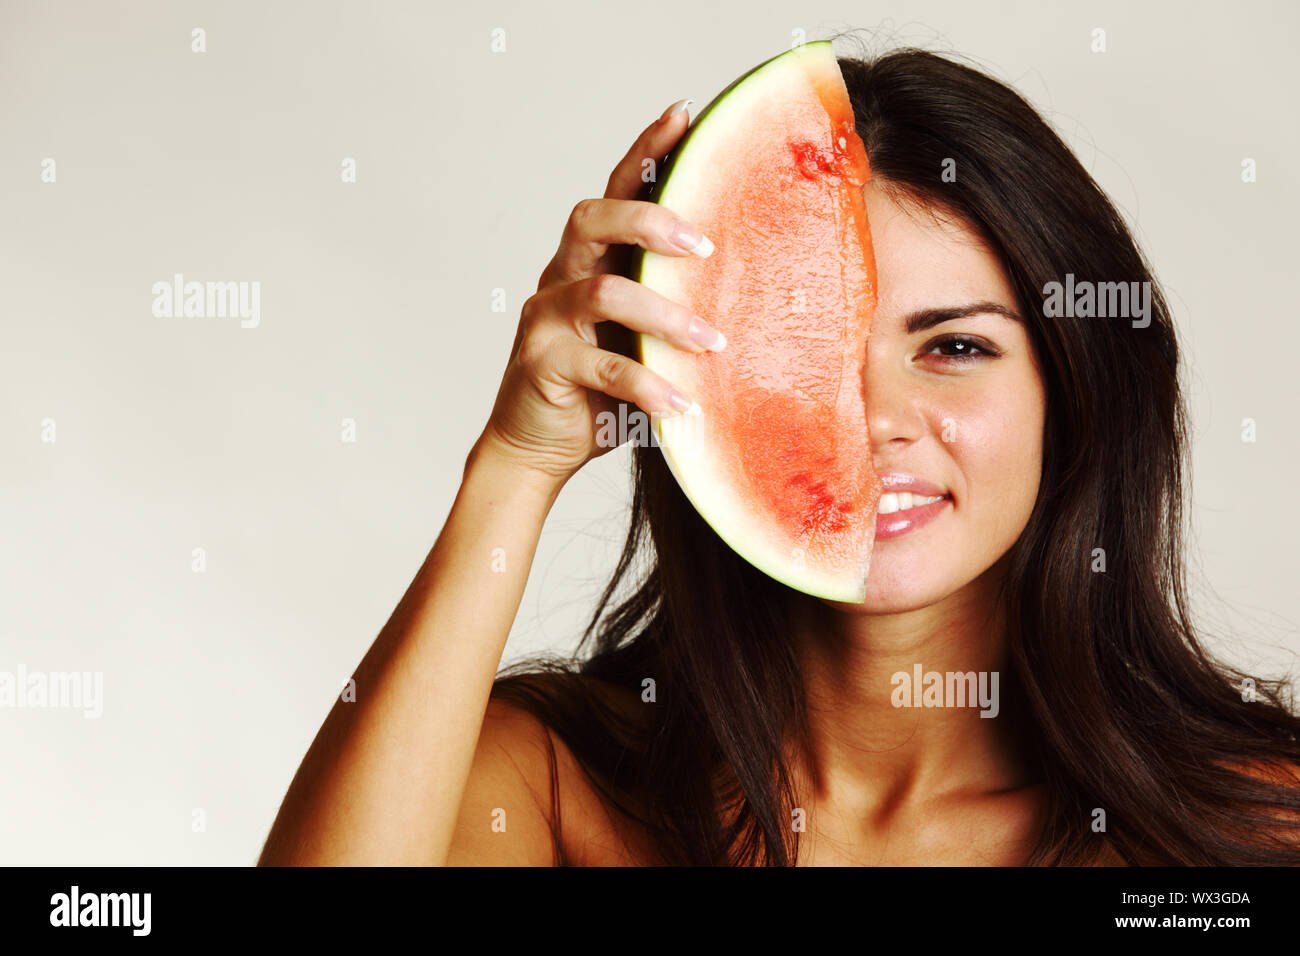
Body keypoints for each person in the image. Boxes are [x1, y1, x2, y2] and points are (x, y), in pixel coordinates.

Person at [258, 46, 1300, 867]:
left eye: (953, 346)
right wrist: (516, 463)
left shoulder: (1252, 822)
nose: (873, 418)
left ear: (1068, 389)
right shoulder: (553, 784)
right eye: (795, 350)